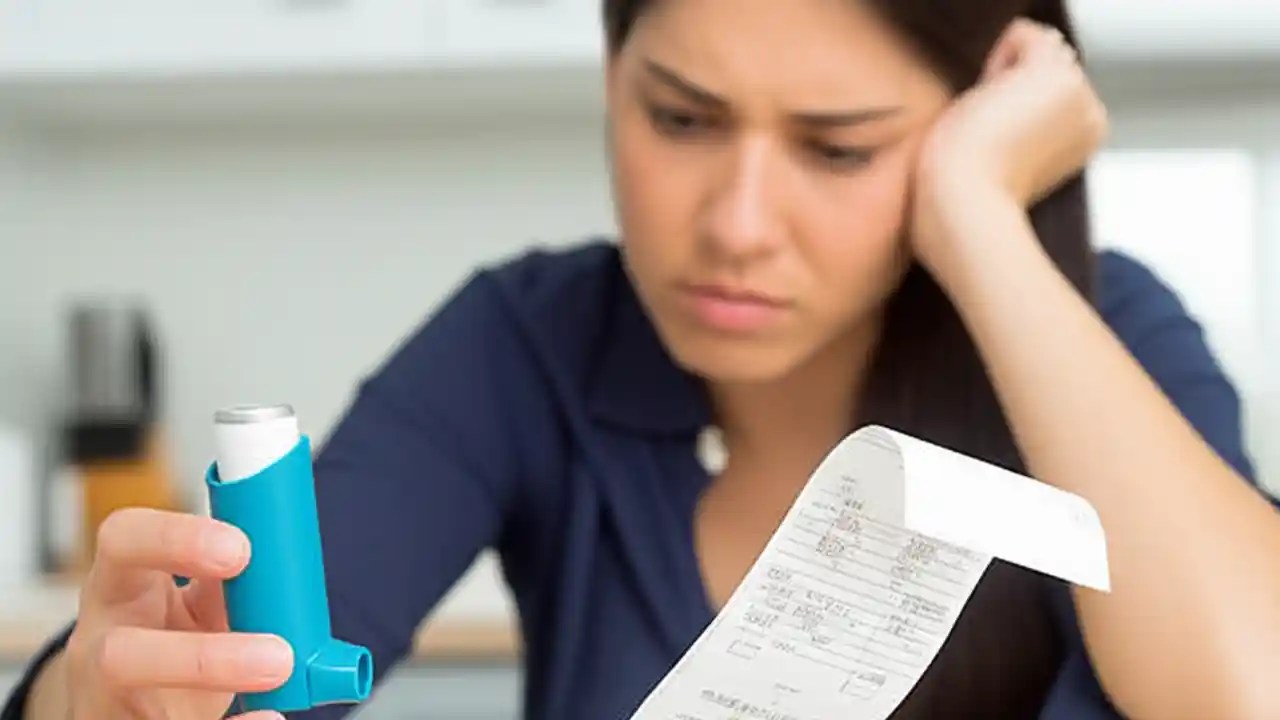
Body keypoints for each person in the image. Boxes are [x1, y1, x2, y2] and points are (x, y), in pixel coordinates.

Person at [7, 0, 1280, 718]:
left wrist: (985, 227)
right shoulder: (526, 345)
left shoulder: (1095, 338)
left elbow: (1246, 692)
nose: (731, 224)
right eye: (678, 119)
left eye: (838, 149)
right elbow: (243, 666)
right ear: (611, 74)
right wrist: (92, 700)